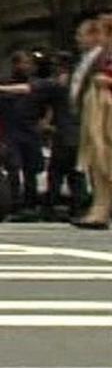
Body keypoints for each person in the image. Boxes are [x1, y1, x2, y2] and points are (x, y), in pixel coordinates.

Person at [0, 50, 48, 221]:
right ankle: (14, 203)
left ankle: (30, 204)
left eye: (28, 64)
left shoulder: (36, 84)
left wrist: (44, 122)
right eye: (23, 63)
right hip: (10, 131)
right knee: (13, 168)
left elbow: (47, 105)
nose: (26, 67)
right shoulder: (1, 83)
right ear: (15, 65)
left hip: (30, 131)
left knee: (31, 170)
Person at [76, 15, 112, 230]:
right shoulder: (99, 56)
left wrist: (108, 81)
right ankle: (99, 210)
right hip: (97, 111)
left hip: (107, 110)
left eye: (100, 32)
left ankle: (100, 210)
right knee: (100, 165)